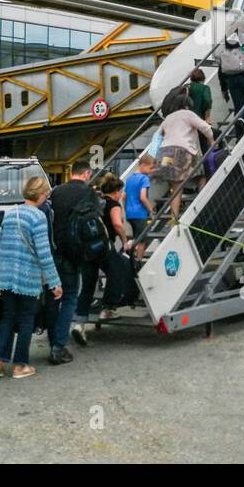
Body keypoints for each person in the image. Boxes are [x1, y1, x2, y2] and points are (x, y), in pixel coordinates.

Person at [0, 177, 62, 379]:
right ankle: (20, 366)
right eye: (46, 194)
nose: (46, 197)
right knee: (26, 320)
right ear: (39, 195)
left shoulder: (11, 215)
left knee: (7, 318)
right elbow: (44, 253)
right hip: (27, 277)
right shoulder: (38, 217)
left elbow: (0, 247)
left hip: (5, 276)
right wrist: (55, 282)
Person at [71, 173, 128, 347]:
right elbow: (117, 224)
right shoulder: (113, 204)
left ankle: (79, 324)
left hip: (88, 249)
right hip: (104, 248)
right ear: (116, 191)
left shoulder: (96, 202)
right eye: (120, 191)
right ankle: (108, 309)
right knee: (119, 269)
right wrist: (125, 241)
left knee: (88, 286)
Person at [45, 161, 94, 365]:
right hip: (74, 254)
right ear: (87, 173)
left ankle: (52, 340)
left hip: (54, 250)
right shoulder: (88, 192)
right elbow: (93, 224)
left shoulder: (56, 192)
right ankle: (58, 347)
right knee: (70, 297)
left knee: (53, 297)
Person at [149, 98, 214, 220]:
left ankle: (174, 218)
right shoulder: (188, 114)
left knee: (176, 187)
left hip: (165, 153)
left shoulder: (168, 118)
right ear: (187, 105)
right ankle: (204, 204)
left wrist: (153, 155)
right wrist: (212, 141)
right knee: (200, 175)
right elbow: (206, 128)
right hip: (182, 151)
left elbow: (157, 136)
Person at [124, 154, 154, 251]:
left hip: (130, 214)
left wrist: (127, 209)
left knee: (136, 237)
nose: (151, 171)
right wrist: (151, 210)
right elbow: (143, 197)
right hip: (140, 213)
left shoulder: (129, 179)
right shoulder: (144, 178)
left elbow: (124, 196)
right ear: (143, 165)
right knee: (142, 240)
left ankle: (132, 257)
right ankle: (138, 262)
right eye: (151, 168)